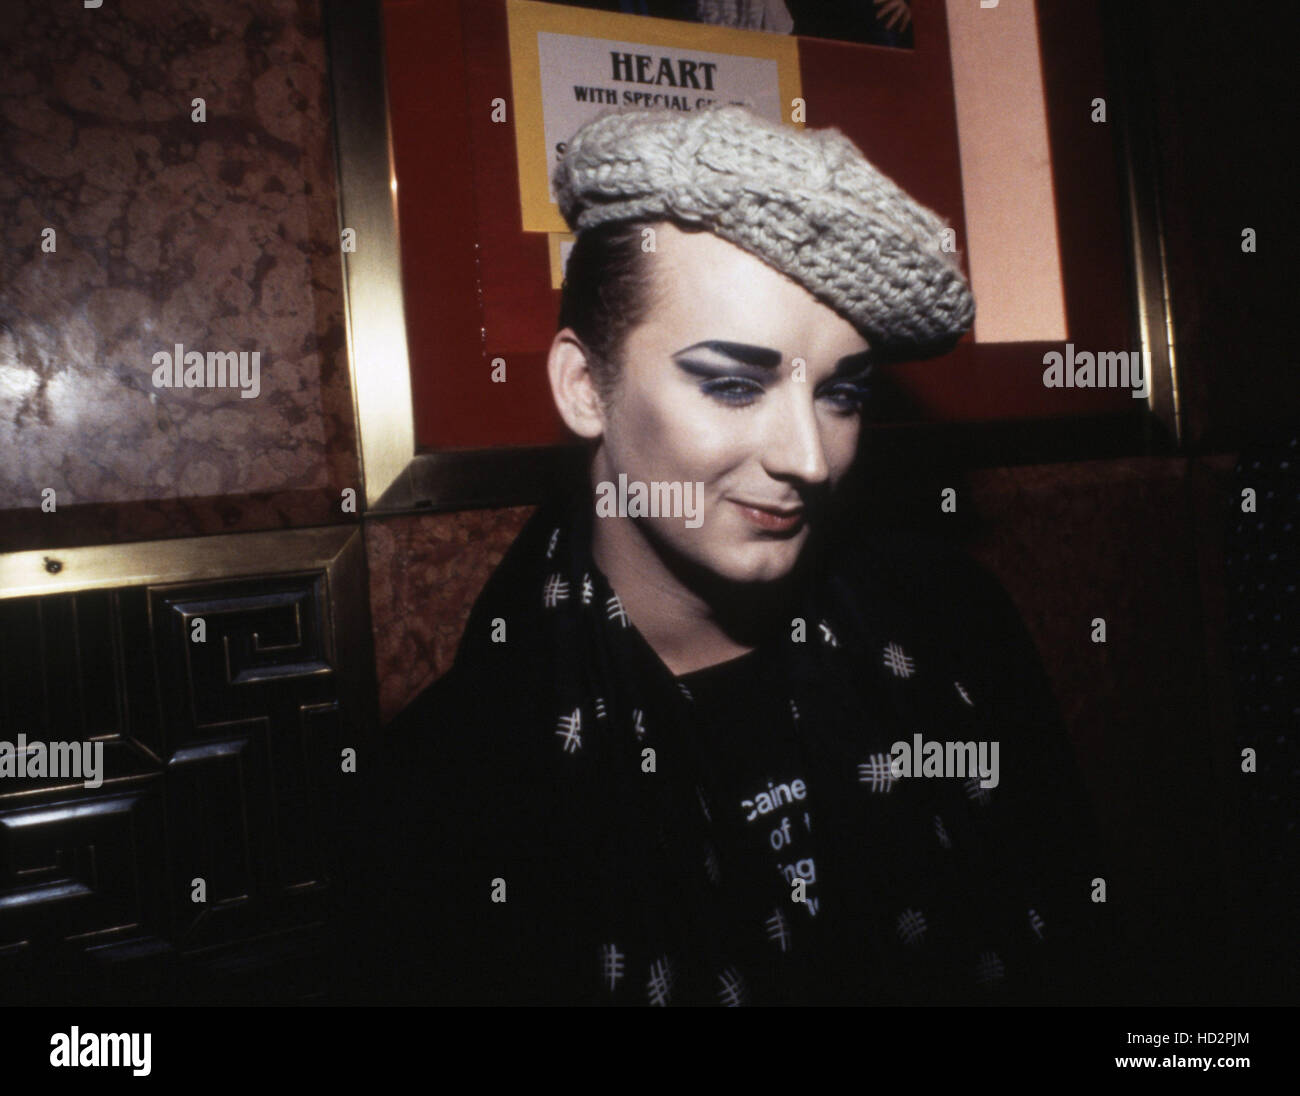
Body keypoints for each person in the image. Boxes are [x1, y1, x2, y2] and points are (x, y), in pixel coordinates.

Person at [339, 105, 1116, 1006]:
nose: (809, 458)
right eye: (734, 384)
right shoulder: (452, 789)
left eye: (841, 394)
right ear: (585, 386)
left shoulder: (951, 625)